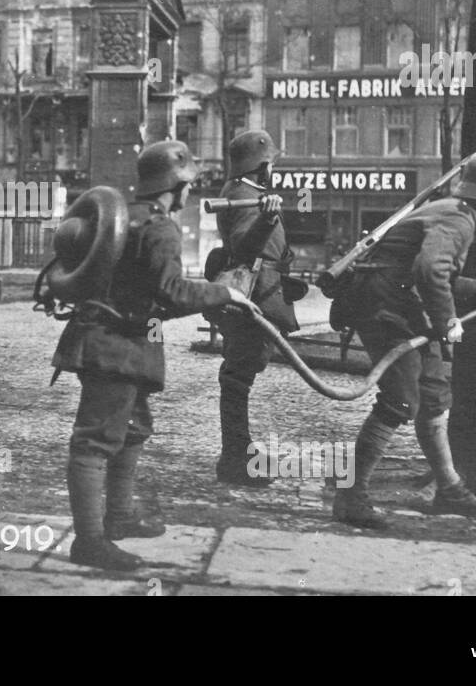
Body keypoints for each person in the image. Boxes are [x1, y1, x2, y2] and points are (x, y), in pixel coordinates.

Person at [51, 140, 242, 571]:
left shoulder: (128, 219)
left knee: (133, 427)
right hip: (116, 346)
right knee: (95, 439)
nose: (190, 193)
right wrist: (224, 292)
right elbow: (172, 291)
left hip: (115, 341)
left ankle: (119, 517)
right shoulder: (160, 227)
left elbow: (151, 293)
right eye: (187, 185)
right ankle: (89, 541)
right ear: (174, 186)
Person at [332, 153, 476, 530]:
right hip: (385, 308)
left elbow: (422, 270)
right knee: (401, 398)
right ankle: (350, 496)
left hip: (402, 304)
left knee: (433, 394)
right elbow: (429, 269)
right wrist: (448, 320)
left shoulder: (452, 209)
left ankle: (449, 489)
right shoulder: (459, 217)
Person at [208, 129, 305, 486]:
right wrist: (266, 219)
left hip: (255, 293)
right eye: (271, 164)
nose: (274, 170)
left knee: (238, 373)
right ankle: (236, 458)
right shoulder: (247, 197)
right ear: (262, 167)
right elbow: (245, 247)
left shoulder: (243, 193)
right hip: (254, 297)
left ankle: (238, 453)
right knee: (238, 375)